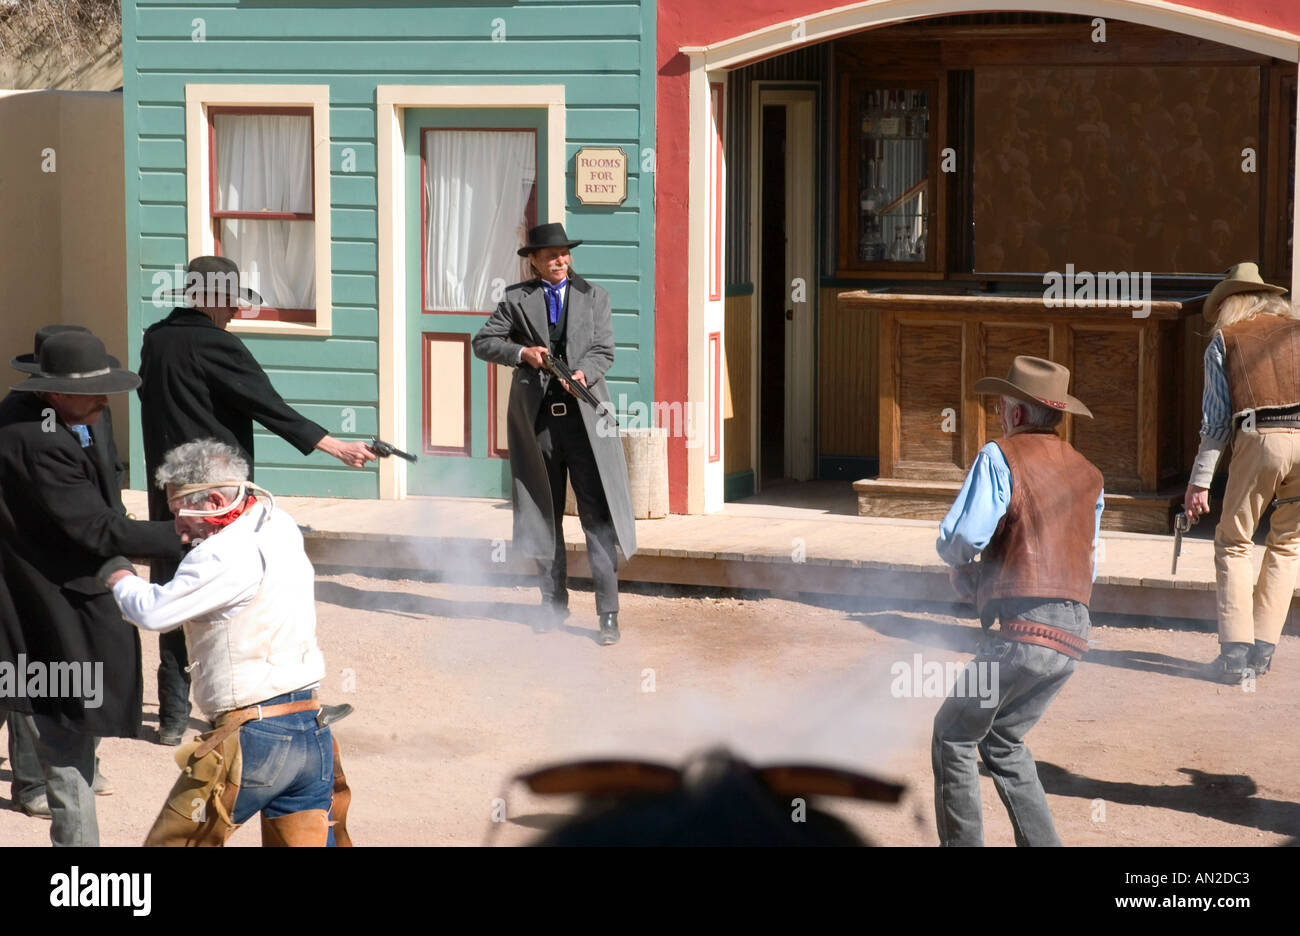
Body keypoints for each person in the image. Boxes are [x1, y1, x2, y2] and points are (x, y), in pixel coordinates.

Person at [140, 255, 376, 744]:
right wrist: (332, 444)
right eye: (231, 303)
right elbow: (269, 407)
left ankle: (171, 719)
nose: (235, 314)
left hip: (171, 491)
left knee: (178, 587)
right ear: (216, 298)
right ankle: (260, 710)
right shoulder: (218, 344)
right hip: (221, 495)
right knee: (249, 595)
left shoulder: (155, 341)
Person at [101, 439, 350, 846]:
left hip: (253, 738)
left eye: (180, 513)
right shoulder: (278, 521)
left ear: (216, 499)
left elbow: (152, 612)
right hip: (311, 730)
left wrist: (118, 574)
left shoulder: (219, 555)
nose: (177, 526)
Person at [0, 330, 184, 845]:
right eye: (95, 390)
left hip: (30, 603)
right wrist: (192, 529)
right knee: (63, 732)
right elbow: (96, 528)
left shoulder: (44, 415)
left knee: (54, 721)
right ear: (55, 391)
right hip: (40, 602)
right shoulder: (39, 440)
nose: (105, 400)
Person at [933, 356, 1104, 847]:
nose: (1001, 413)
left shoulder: (1000, 456)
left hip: (1024, 631)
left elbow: (963, 535)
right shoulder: (1089, 473)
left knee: (954, 734)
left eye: (1005, 404)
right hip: (1074, 633)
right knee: (1004, 741)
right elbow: (1088, 562)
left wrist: (959, 563)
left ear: (1020, 413)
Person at [471, 223, 636, 645]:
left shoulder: (595, 296)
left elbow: (604, 350)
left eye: (563, 254)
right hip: (537, 424)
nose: (559, 262)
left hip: (585, 425)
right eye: (550, 257)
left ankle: (608, 613)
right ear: (534, 262)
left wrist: (584, 373)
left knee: (596, 516)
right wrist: (523, 353)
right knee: (543, 514)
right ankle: (552, 602)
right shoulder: (514, 298)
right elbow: (483, 342)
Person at [3, 325, 119, 818]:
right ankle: (34, 782)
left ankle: (75, 765)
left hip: (88, 551)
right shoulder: (22, 425)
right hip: (31, 565)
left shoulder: (90, 411)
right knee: (29, 675)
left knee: (56, 671)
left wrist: (114, 538)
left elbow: (103, 474)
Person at [1183, 262, 1296, 682]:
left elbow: (1215, 423)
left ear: (1230, 304)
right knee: (1289, 544)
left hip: (1262, 438)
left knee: (1234, 541)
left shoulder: (1225, 340)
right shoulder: (1299, 331)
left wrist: (1200, 481)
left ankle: (1234, 657)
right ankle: (1262, 654)